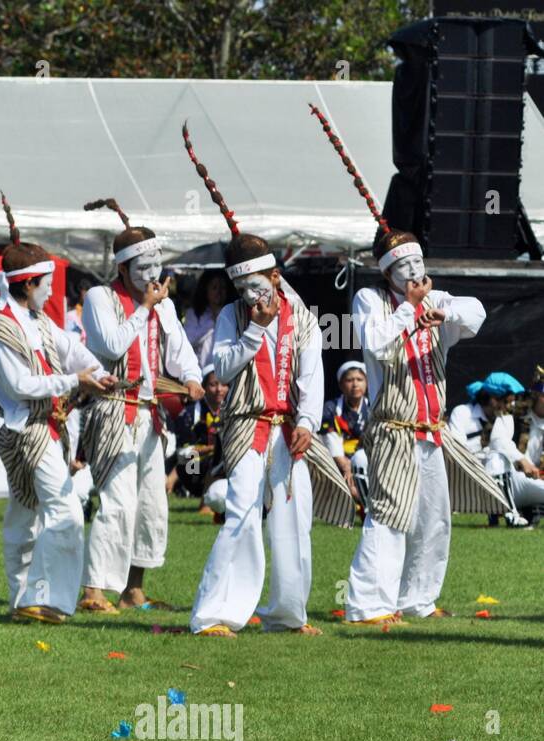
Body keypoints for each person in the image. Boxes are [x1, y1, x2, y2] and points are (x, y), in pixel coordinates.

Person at [307, 102, 506, 624]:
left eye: (421, 265)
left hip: (431, 430)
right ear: (391, 274)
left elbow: (477, 315)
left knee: (434, 519)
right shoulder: (375, 304)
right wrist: (412, 313)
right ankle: (368, 604)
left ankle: (416, 599)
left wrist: (440, 309)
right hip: (393, 429)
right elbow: (373, 343)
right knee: (390, 514)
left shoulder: (433, 305)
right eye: (408, 267)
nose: (417, 272)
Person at [181, 124, 354, 638]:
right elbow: (224, 369)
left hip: (288, 431)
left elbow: (312, 371)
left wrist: (306, 421)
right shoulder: (236, 316)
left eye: (261, 286)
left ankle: (286, 615)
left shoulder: (299, 313)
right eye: (246, 289)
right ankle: (213, 613)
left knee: (293, 522)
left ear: (276, 276)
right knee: (239, 511)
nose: (256, 296)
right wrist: (254, 329)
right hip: (245, 426)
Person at [0, 194, 112, 624]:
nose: (52, 290)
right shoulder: (1, 330)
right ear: (27, 284)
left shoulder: (41, 322)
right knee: (64, 511)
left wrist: (96, 371)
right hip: (27, 434)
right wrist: (74, 381)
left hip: (51, 431)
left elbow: (71, 350)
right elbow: (20, 386)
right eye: (46, 282)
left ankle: (24, 602)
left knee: (23, 520)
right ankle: (41, 599)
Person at [76, 198, 203, 613]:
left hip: (150, 415)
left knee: (151, 505)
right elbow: (110, 345)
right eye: (142, 270)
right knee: (118, 502)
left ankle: (133, 590)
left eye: (156, 267)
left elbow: (178, 348)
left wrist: (192, 379)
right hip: (112, 409)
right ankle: (94, 590)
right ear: (122, 270)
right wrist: (144, 308)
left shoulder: (163, 304)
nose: (152, 277)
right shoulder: (99, 297)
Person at [448, 373, 544, 525]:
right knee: (496, 458)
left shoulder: (503, 417)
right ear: (494, 400)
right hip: (466, 482)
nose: (511, 406)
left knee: (497, 459)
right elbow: (457, 452)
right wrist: (522, 460)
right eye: (509, 401)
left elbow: (499, 441)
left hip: (505, 482)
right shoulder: (462, 413)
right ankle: (510, 514)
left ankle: (525, 508)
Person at [171, 365, 228, 516]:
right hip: (193, 471)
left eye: (223, 384)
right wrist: (212, 450)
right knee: (215, 455)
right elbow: (184, 452)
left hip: (220, 464)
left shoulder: (230, 410)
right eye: (213, 384)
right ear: (203, 387)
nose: (219, 389)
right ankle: (204, 502)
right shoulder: (190, 413)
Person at [321, 360, 370, 506]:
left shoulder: (374, 408)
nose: (355, 384)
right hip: (339, 462)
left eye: (359, 379)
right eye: (349, 380)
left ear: (366, 383)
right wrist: (348, 468)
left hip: (367, 460)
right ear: (341, 385)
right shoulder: (331, 408)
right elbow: (332, 444)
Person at [183, 268, 233, 370]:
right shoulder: (194, 313)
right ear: (206, 289)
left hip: (225, 370)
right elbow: (189, 340)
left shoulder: (232, 313)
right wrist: (212, 322)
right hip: (201, 371)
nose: (219, 292)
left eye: (223, 288)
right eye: (214, 287)